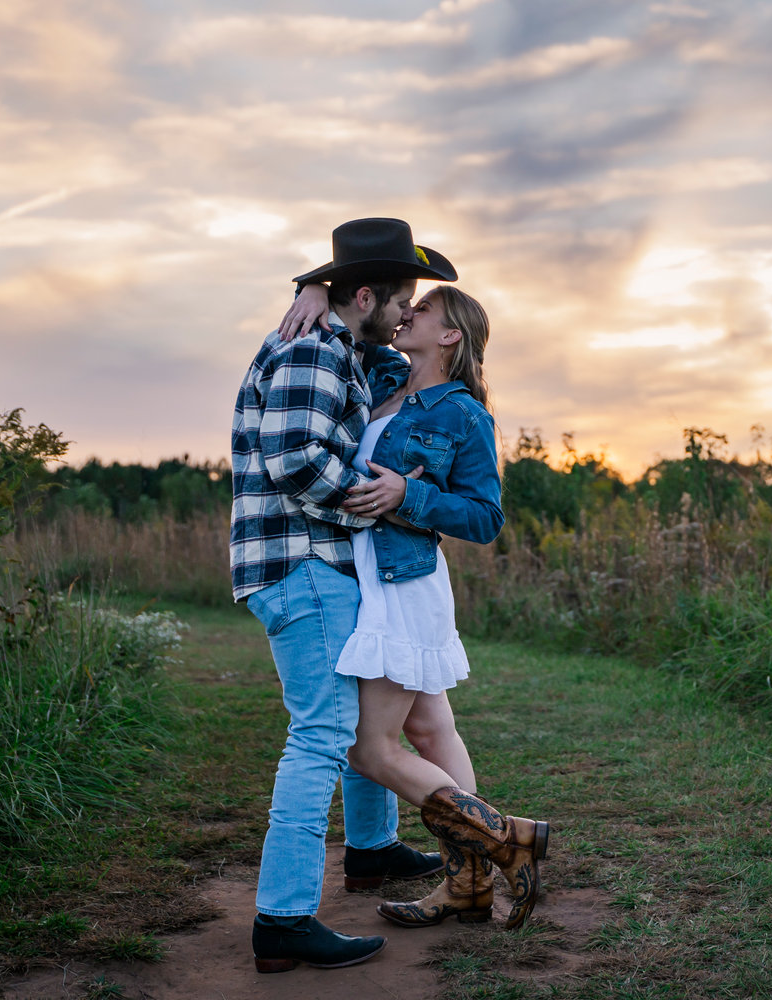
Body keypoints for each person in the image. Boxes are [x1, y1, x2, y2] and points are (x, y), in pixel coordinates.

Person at [282, 279, 550, 932]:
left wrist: (409, 494)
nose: (407, 312)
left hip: (404, 582)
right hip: (366, 575)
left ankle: (504, 840)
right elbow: (350, 321)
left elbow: (485, 518)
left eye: (422, 308)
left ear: (450, 334)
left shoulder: (463, 414)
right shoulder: (378, 378)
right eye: (406, 303)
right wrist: (316, 288)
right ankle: (470, 886)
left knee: (368, 749)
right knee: (430, 732)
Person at [230, 218, 457, 973]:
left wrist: (309, 286)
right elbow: (294, 458)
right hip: (302, 565)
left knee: (359, 716)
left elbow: (398, 363)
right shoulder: (312, 347)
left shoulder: (344, 344)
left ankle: (372, 850)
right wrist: (381, 501)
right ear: (365, 295)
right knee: (323, 735)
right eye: (401, 301)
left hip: (321, 563)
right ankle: (284, 920)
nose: (404, 317)